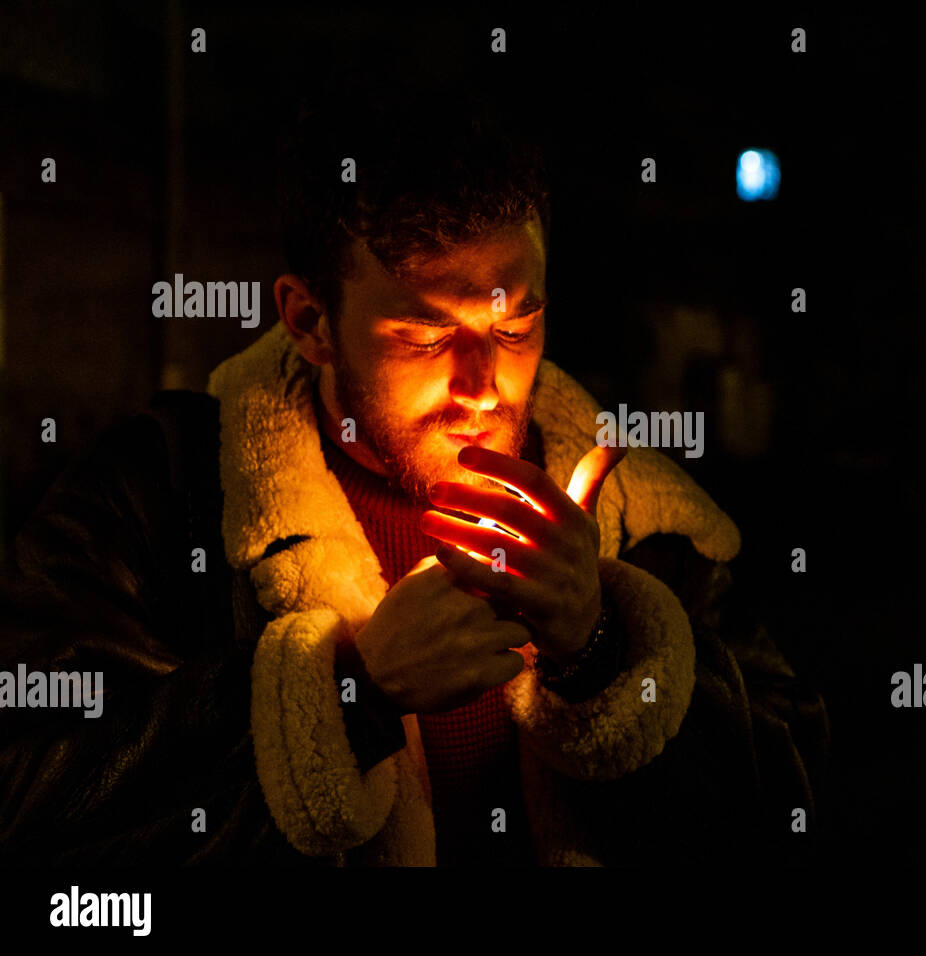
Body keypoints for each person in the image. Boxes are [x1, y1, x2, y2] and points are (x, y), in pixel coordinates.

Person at [0, 87, 829, 867]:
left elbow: (788, 801)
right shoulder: (160, 497)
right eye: (427, 337)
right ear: (310, 322)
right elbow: (26, 799)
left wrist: (605, 652)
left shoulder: (637, 510)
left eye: (515, 327)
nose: (483, 385)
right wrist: (349, 699)